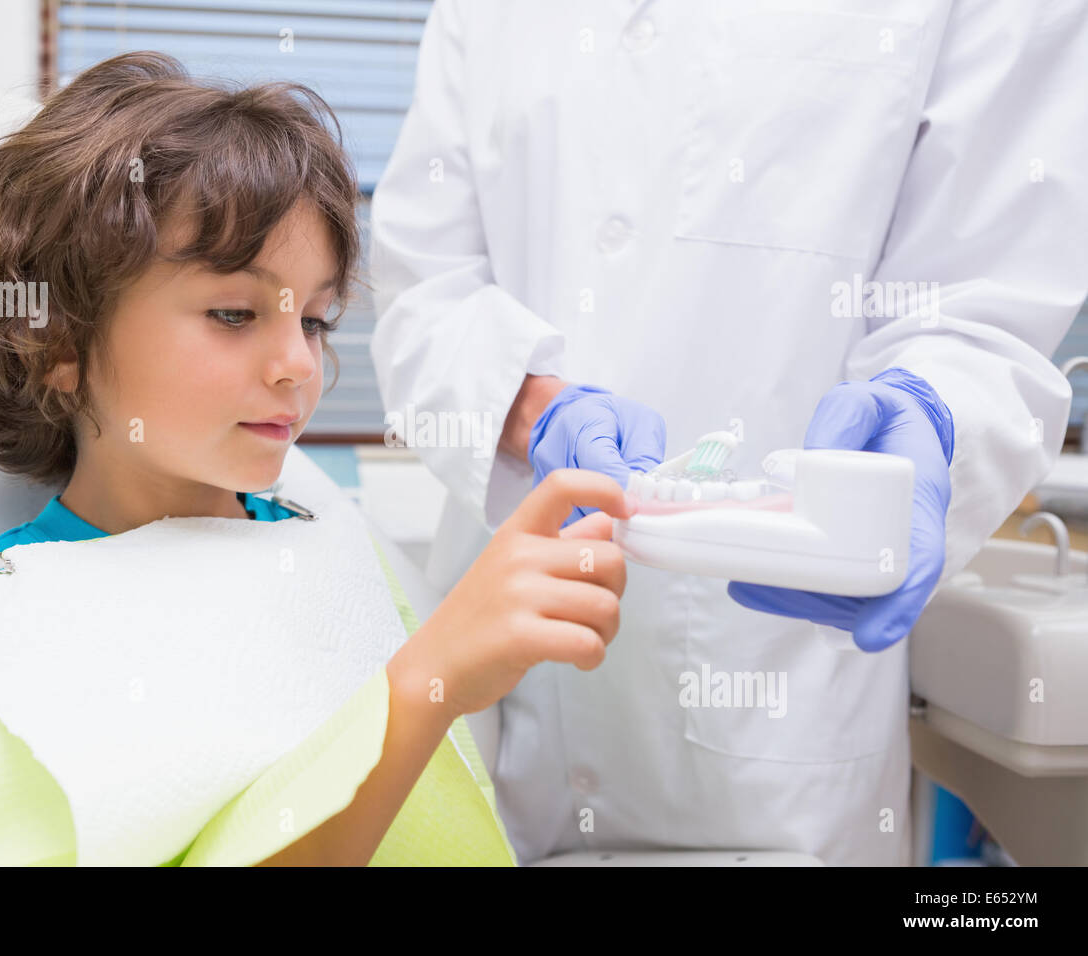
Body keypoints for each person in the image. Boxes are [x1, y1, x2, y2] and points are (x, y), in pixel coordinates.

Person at [370, 0, 1088, 864]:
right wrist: (533, 406)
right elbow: (420, 287)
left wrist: (933, 415)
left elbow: (986, 299)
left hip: (780, 728)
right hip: (510, 719)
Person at [0, 51, 637, 865]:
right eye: (233, 313)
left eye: (316, 320)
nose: (299, 364)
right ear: (59, 343)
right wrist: (428, 680)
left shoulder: (316, 545)